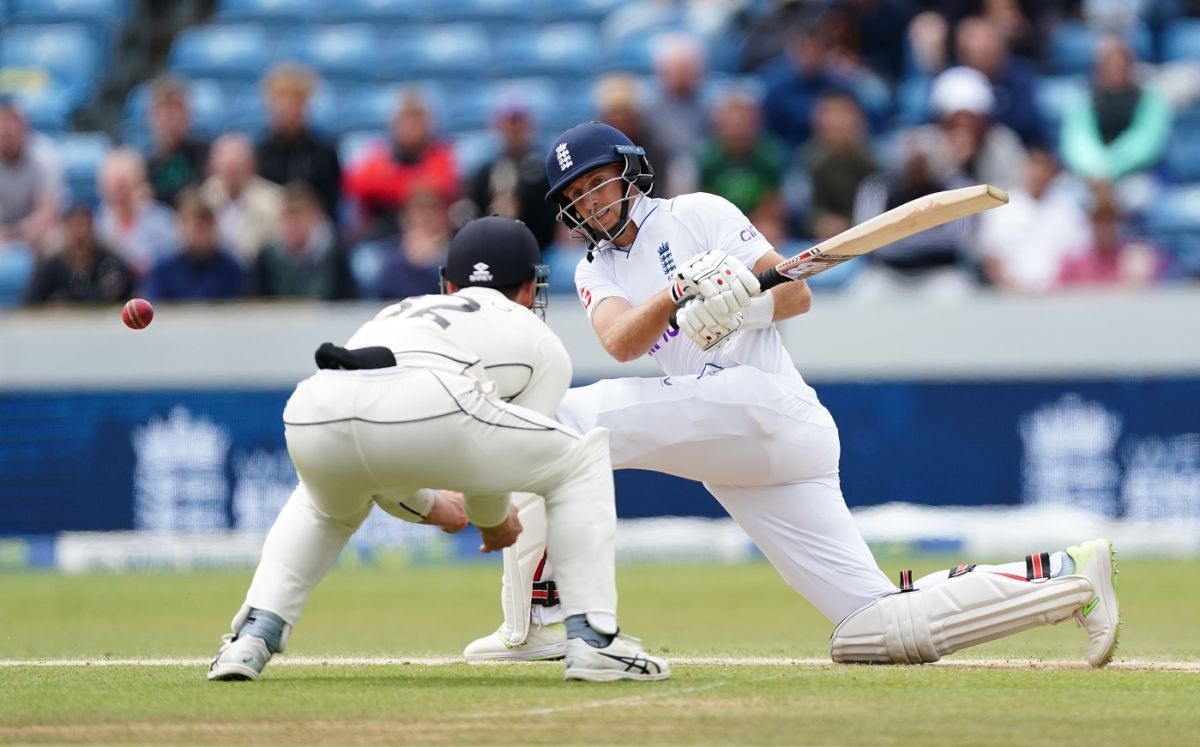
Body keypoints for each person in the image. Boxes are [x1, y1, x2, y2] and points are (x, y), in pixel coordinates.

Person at [461, 121, 1121, 670]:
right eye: (576, 192)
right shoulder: (593, 269)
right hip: (735, 444)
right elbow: (620, 342)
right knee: (874, 629)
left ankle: (536, 623)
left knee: (565, 416)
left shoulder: (697, 214)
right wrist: (680, 296)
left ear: (629, 172)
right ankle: (1069, 575)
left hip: (764, 404)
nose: (592, 199)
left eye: (598, 180)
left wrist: (738, 303)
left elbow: (796, 293)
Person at [207, 216, 669, 683]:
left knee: (323, 504)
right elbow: (499, 467)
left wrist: (431, 507)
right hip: (428, 403)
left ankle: (250, 638)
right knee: (580, 458)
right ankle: (592, 639)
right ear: (531, 288)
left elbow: (374, 451)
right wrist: (490, 523)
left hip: (313, 408)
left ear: (448, 284)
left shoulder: (398, 310)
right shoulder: (541, 341)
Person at [141, 189, 244, 301]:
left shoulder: (231, 269)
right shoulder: (163, 271)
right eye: (196, 230)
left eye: (205, 228)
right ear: (182, 228)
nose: (200, 237)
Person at [24, 203, 136, 305]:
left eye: (84, 226)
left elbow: (126, 294)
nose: (80, 234)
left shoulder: (109, 261)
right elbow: (32, 302)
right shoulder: (52, 265)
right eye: (75, 227)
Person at [145, 75, 209, 207]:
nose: (169, 117)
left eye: (176, 109)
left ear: (188, 114)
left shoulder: (206, 156)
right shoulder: (146, 165)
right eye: (162, 110)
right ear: (151, 116)